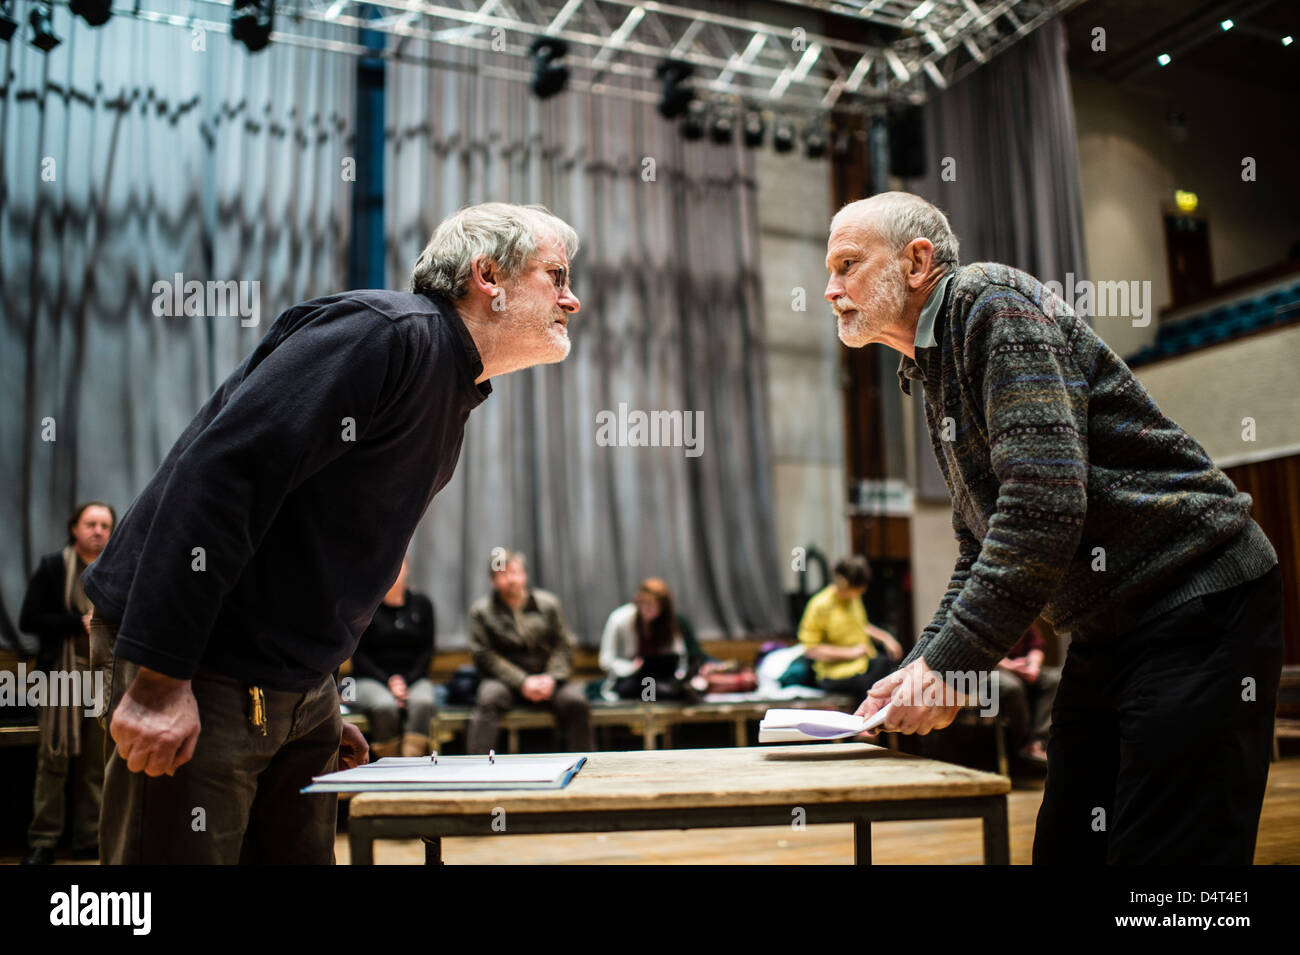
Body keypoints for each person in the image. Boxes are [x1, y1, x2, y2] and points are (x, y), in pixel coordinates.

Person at [81, 202, 581, 863]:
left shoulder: (452, 383)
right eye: (556, 275)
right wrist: (160, 678)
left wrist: (309, 701)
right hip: (197, 662)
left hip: (289, 688)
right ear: (487, 275)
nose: (571, 301)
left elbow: (320, 552)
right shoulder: (384, 334)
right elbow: (221, 474)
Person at [827, 192, 1282, 864]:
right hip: (1110, 626)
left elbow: (1044, 506)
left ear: (917, 261)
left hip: (1197, 601)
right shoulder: (929, 364)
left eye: (847, 264)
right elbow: (980, 539)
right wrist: (928, 658)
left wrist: (954, 663)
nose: (831, 290)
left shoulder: (990, 303)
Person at [18, 502, 115, 865]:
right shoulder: (54, 566)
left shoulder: (116, 570)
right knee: (53, 761)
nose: (98, 531)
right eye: (91, 523)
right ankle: (42, 841)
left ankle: (89, 840)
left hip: (102, 678)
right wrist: (77, 624)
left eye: (105, 525)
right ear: (75, 528)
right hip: (59, 676)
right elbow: (30, 620)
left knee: (95, 764)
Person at [467, 551, 593, 753]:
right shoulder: (481, 611)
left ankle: (585, 763)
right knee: (488, 698)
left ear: (524, 575)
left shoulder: (548, 604)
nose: (511, 579)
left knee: (576, 701)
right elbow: (484, 655)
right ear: (493, 581)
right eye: (503, 574)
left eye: (515, 572)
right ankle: (477, 767)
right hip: (505, 682)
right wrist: (522, 681)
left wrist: (551, 678)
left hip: (547, 678)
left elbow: (563, 646)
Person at [349, 557, 437, 758]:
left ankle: (411, 765)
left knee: (423, 702)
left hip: (413, 677)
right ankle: (389, 763)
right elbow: (359, 655)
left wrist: (405, 682)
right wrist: (389, 682)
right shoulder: (367, 606)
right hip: (371, 678)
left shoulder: (422, 604)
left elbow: (427, 651)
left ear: (406, 569)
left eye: (399, 564)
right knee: (384, 706)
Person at [796, 555, 902, 702]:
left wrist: (886, 638)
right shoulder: (819, 605)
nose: (862, 592)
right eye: (859, 589)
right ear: (843, 583)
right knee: (874, 684)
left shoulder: (853, 598)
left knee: (890, 669)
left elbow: (861, 626)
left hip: (862, 664)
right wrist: (850, 653)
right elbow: (811, 649)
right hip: (834, 674)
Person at [598, 578, 707, 701]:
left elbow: (679, 655)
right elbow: (606, 661)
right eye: (645, 604)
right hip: (630, 678)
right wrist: (633, 667)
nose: (648, 609)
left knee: (672, 689)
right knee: (650, 690)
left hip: (661, 679)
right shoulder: (619, 619)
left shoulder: (668, 622)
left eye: (654, 605)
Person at [994, 622, 1059, 766]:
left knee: (1055, 679)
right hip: (992, 668)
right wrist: (1011, 666)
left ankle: (1038, 742)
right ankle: (1024, 744)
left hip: (1023, 667)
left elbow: (1036, 646)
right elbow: (981, 649)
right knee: (1012, 687)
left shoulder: (1022, 611)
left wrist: (1033, 666)